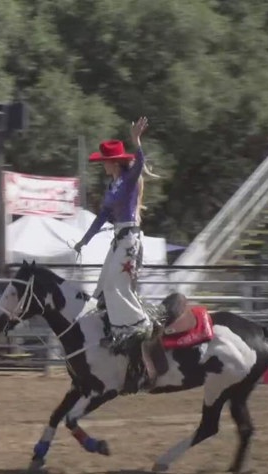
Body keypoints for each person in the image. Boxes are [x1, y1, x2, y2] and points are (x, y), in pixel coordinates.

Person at [73, 117, 163, 386]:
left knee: (116, 285)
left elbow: (140, 163)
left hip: (129, 240)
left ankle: (139, 325)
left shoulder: (128, 179)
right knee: (103, 287)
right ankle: (116, 331)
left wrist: (136, 141)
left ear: (113, 162)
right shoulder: (113, 186)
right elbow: (102, 216)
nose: (103, 164)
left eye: (104, 161)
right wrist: (84, 241)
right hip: (119, 240)